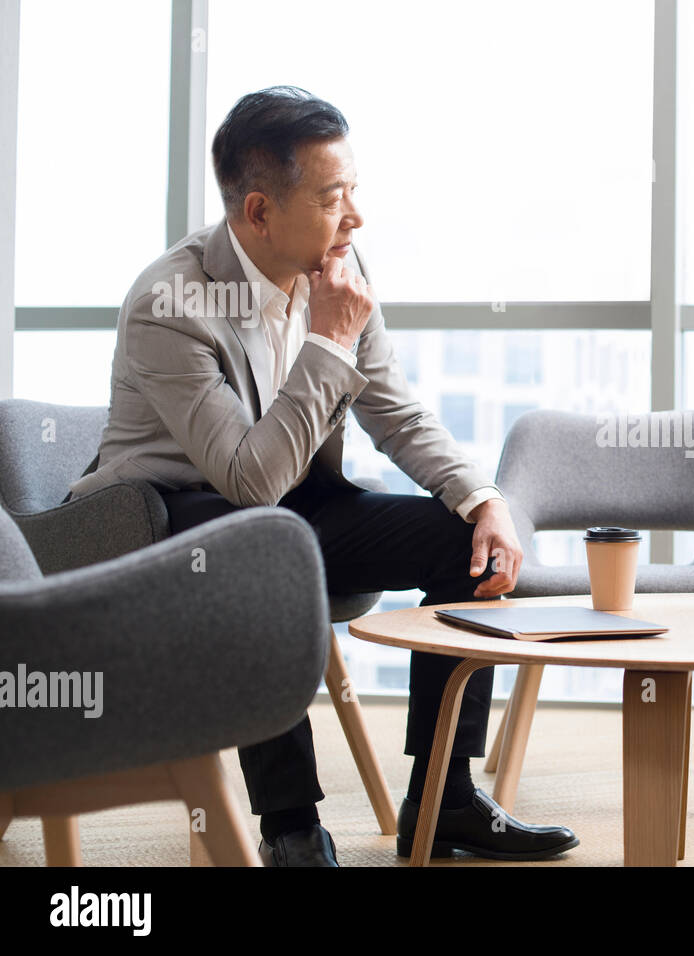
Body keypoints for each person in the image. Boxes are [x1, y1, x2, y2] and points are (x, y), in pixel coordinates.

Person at [68, 86, 578, 866]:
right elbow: (247, 480)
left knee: (456, 540)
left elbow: (396, 412)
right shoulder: (169, 303)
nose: (355, 218)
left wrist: (482, 499)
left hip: (282, 511)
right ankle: (292, 829)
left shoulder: (335, 266)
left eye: (354, 192)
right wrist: (331, 340)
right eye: (334, 196)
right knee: (258, 544)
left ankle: (445, 799)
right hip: (160, 522)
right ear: (260, 212)